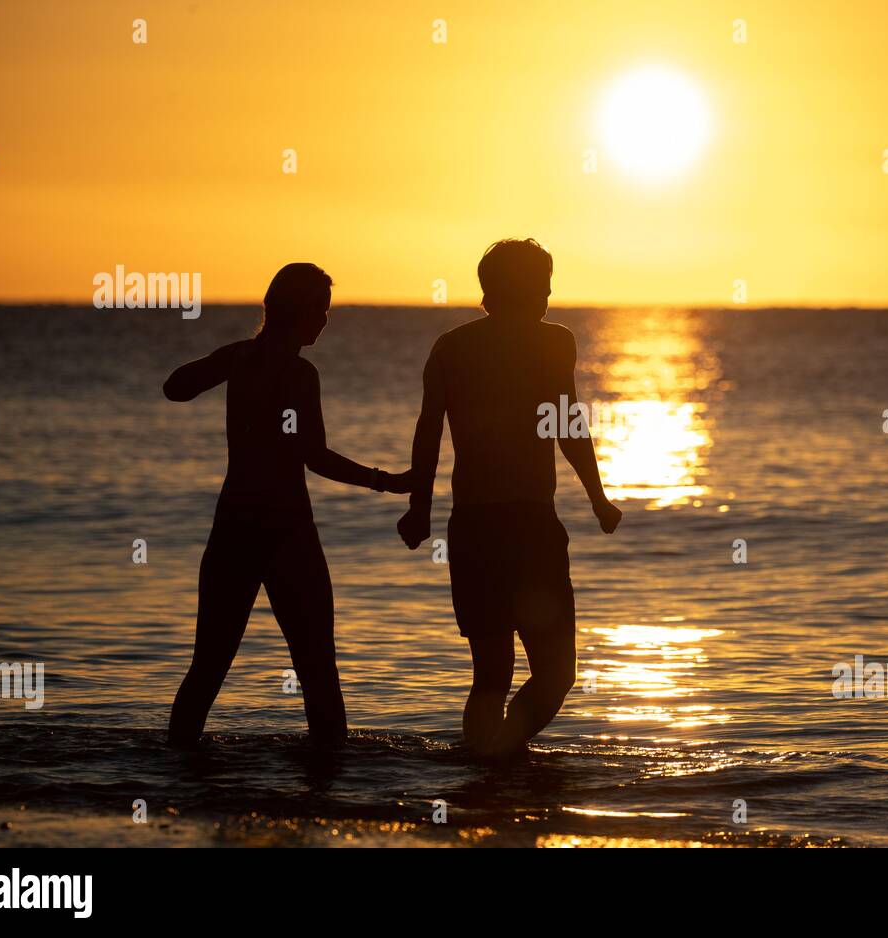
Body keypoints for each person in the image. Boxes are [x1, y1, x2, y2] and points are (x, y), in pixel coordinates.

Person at [384, 239, 622, 758]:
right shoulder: (554, 342)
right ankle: (499, 761)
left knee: (491, 676)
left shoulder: (451, 346)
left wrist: (420, 507)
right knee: (556, 674)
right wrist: (598, 499)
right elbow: (569, 425)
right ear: (520, 287)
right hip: (528, 527)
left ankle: (487, 769)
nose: (551, 291)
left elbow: (429, 432)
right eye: (543, 281)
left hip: (472, 528)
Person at [164, 262, 389, 748]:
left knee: (210, 663)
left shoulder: (242, 358)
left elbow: (175, 387)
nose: (326, 321)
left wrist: (230, 360)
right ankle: (329, 774)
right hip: (287, 532)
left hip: (234, 527)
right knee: (316, 665)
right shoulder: (300, 373)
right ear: (298, 312)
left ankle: (177, 767)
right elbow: (315, 456)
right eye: (320, 310)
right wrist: (383, 481)